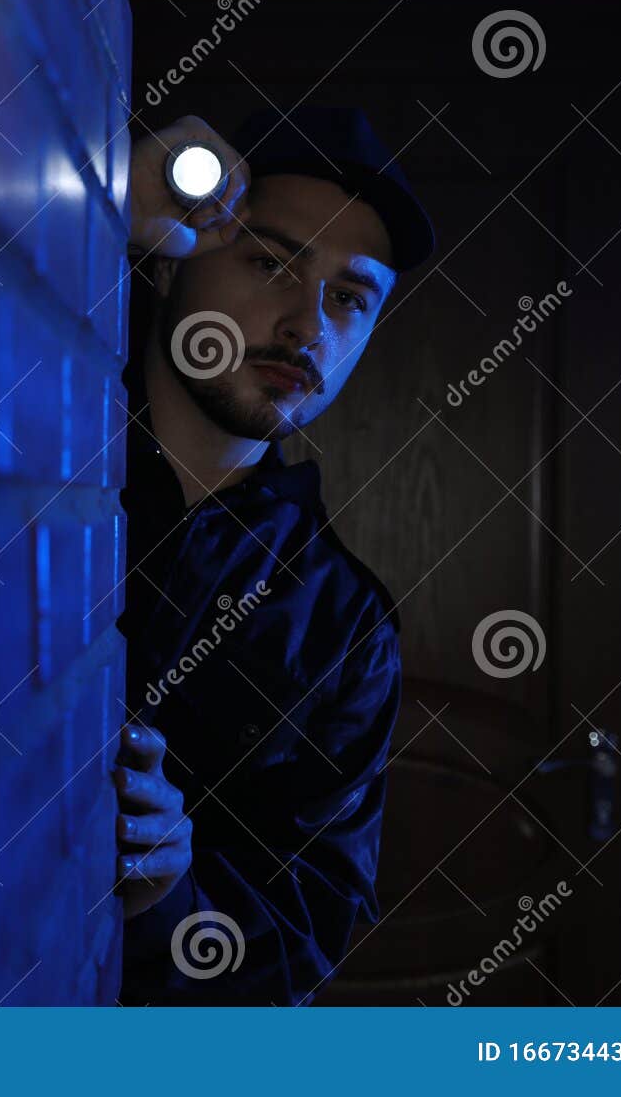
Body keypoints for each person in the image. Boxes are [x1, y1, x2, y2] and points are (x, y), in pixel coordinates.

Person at [112, 106, 436, 1005]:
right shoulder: (14, 441)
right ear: (173, 258)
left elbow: (306, 934)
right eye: (271, 262)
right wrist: (92, 207)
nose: (306, 323)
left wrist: (168, 895)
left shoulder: (343, 624)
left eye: (348, 296)